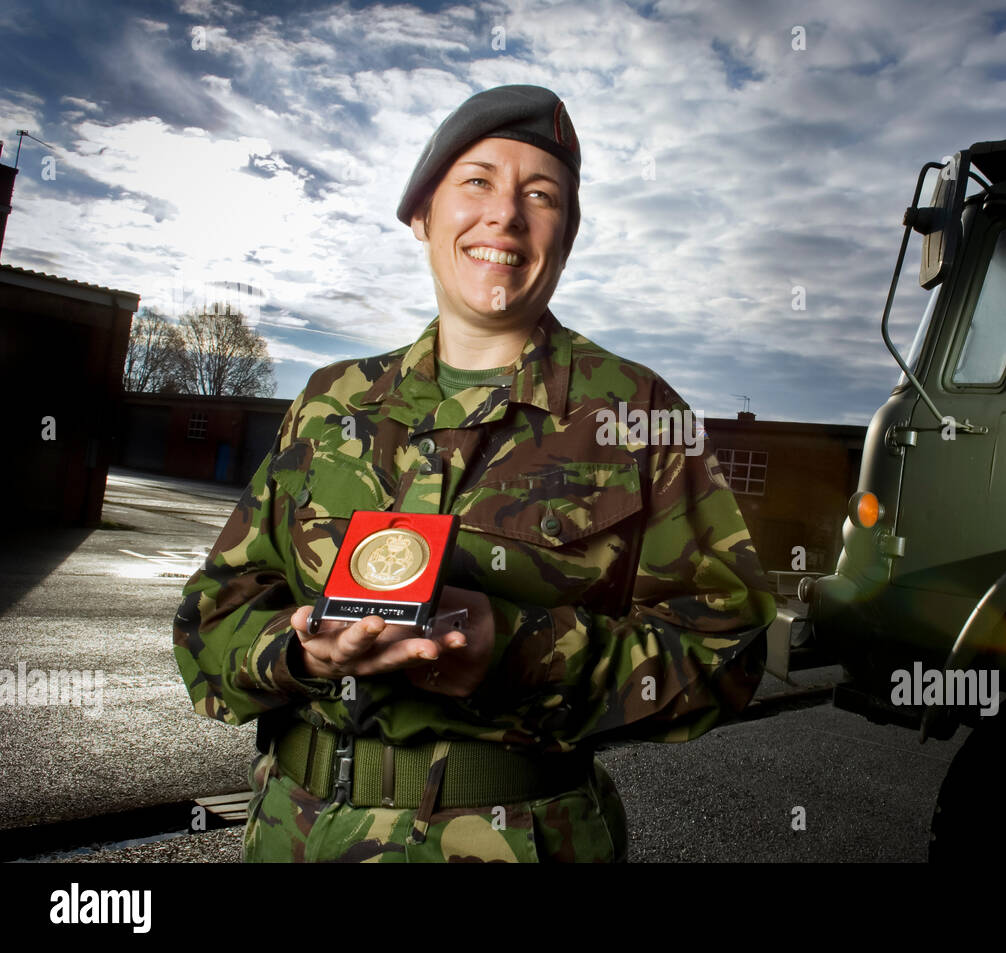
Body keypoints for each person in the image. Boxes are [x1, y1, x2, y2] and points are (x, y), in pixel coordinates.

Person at [173, 84, 775, 862]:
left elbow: (729, 653)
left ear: (565, 233)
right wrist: (298, 651)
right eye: (478, 181)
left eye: (541, 195)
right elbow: (207, 618)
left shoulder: (638, 414)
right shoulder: (329, 403)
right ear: (422, 214)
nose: (506, 215)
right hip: (297, 833)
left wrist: (522, 651)